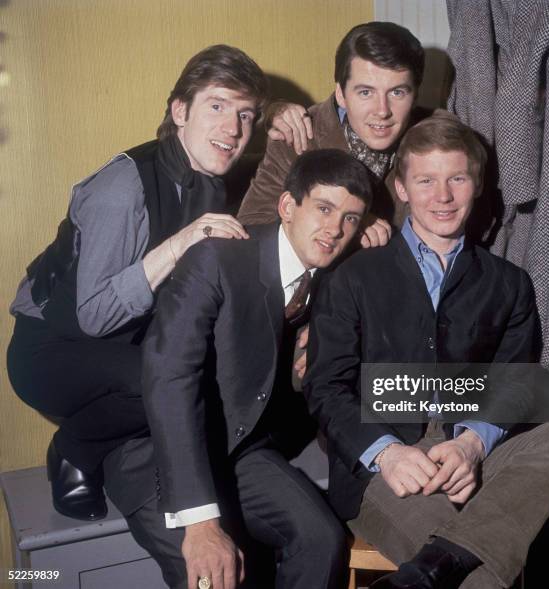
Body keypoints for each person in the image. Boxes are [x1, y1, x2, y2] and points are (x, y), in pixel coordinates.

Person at [303, 114, 549, 589]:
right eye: (426, 180)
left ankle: (431, 567)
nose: (442, 197)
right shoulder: (352, 277)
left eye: (457, 179)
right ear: (402, 188)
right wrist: (388, 455)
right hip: (384, 467)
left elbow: (514, 386)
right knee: (484, 578)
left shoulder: (509, 284)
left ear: (477, 184)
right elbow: (325, 389)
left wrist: (471, 444)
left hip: (476, 452)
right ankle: (447, 562)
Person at [6, 45, 267, 521]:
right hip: (50, 351)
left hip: (120, 349)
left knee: (214, 375)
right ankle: (74, 450)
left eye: (246, 115)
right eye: (217, 106)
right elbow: (95, 316)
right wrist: (182, 242)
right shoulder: (121, 187)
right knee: (167, 381)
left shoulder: (213, 174)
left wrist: (290, 113)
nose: (233, 129)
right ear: (180, 111)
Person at [124, 149, 373, 589]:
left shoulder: (334, 277)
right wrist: (201, 523)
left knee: (322, 539)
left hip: (242, 447)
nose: (335, 229)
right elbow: (170, 379)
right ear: (287, 207)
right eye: (324, 208)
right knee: (215, 576)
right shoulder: (217, 260)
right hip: (158, 451)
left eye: (351, 219)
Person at [238, 21, 429, 247]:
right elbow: (252, 227)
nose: (382, 110)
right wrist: (347, 220)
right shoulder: (298, 137)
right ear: (340, 94)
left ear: (415, 95)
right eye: (366, 92)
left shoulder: (431, 140)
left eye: (397, 92)